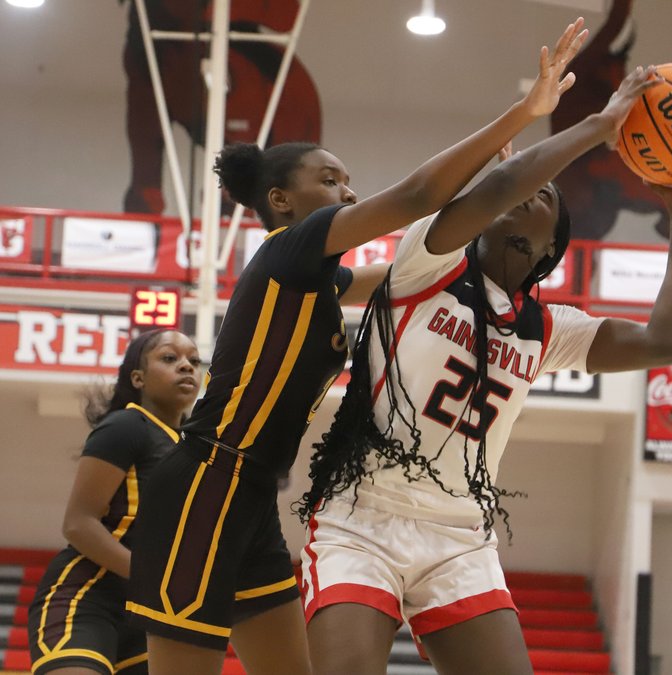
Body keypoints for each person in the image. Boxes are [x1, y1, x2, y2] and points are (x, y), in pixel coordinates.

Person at [124, 18, 590, 675]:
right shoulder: (286, 251)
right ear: (282, 201)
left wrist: (508, 196)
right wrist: (526, 114)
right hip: (205, 479)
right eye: (331, 179)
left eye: (348, 181)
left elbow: (435, 273)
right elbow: (422, 196)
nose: (348, 192)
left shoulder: (328, 280)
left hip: (255, 492)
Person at [295, 63, 672, 674]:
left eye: (549, 194)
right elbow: (498, 188)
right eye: (520, 185)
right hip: (361, 518)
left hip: (459, 536)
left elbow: (664, 342)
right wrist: (598, 127)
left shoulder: (549, 328)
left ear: (550, 248)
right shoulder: (427, 261)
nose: (531, 190)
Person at [27, 329, 202, 675]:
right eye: (170, 358)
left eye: (193, 361)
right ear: (138, 378)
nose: (186, 367)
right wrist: (151, 578)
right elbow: (78, 524)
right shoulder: (126, 426)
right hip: (85, 599)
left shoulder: (195, 446)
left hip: (147, 613)